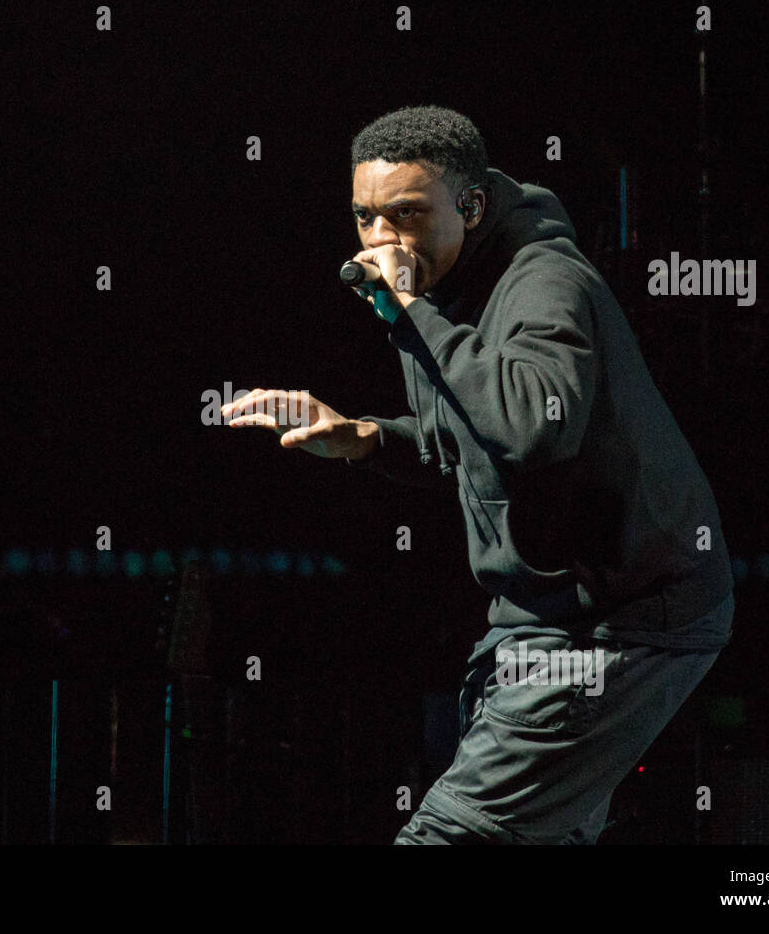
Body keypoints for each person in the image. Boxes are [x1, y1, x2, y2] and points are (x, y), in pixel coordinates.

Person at [220, 105, 734, 844]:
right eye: (366, 218)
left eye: (406, 215)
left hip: (627, 613)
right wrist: (365, 438)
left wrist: (407, 313)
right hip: (548, 614)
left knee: (451, 836)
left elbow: (533, 428)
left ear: (472, 205)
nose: (381, 243)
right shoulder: (440, 291)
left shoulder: (544, 283)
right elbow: (473, 444)